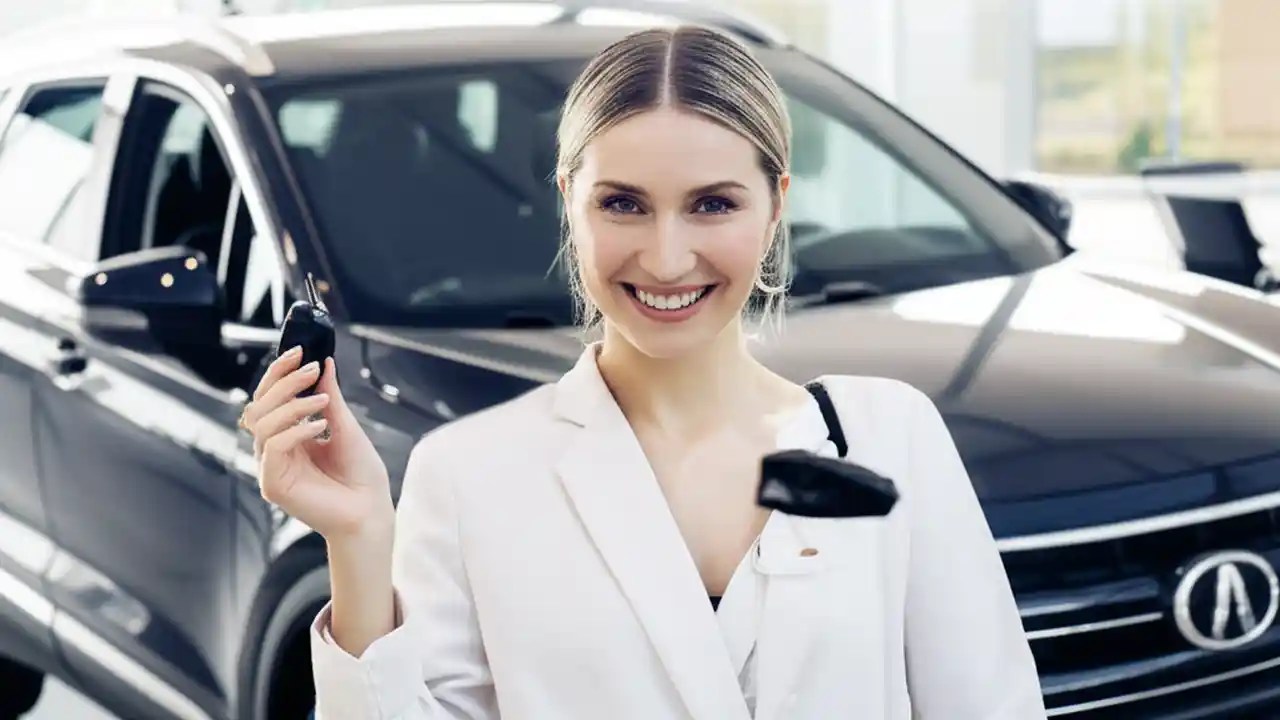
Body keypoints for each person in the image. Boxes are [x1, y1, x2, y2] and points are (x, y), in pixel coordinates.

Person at [243, 25, 1045, 720]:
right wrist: (355, 540)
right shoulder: (468, 476)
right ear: (570, 201)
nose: (667, 258)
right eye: (623, 204)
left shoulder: (887, 439)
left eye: (713, 204)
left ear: (776, 205)